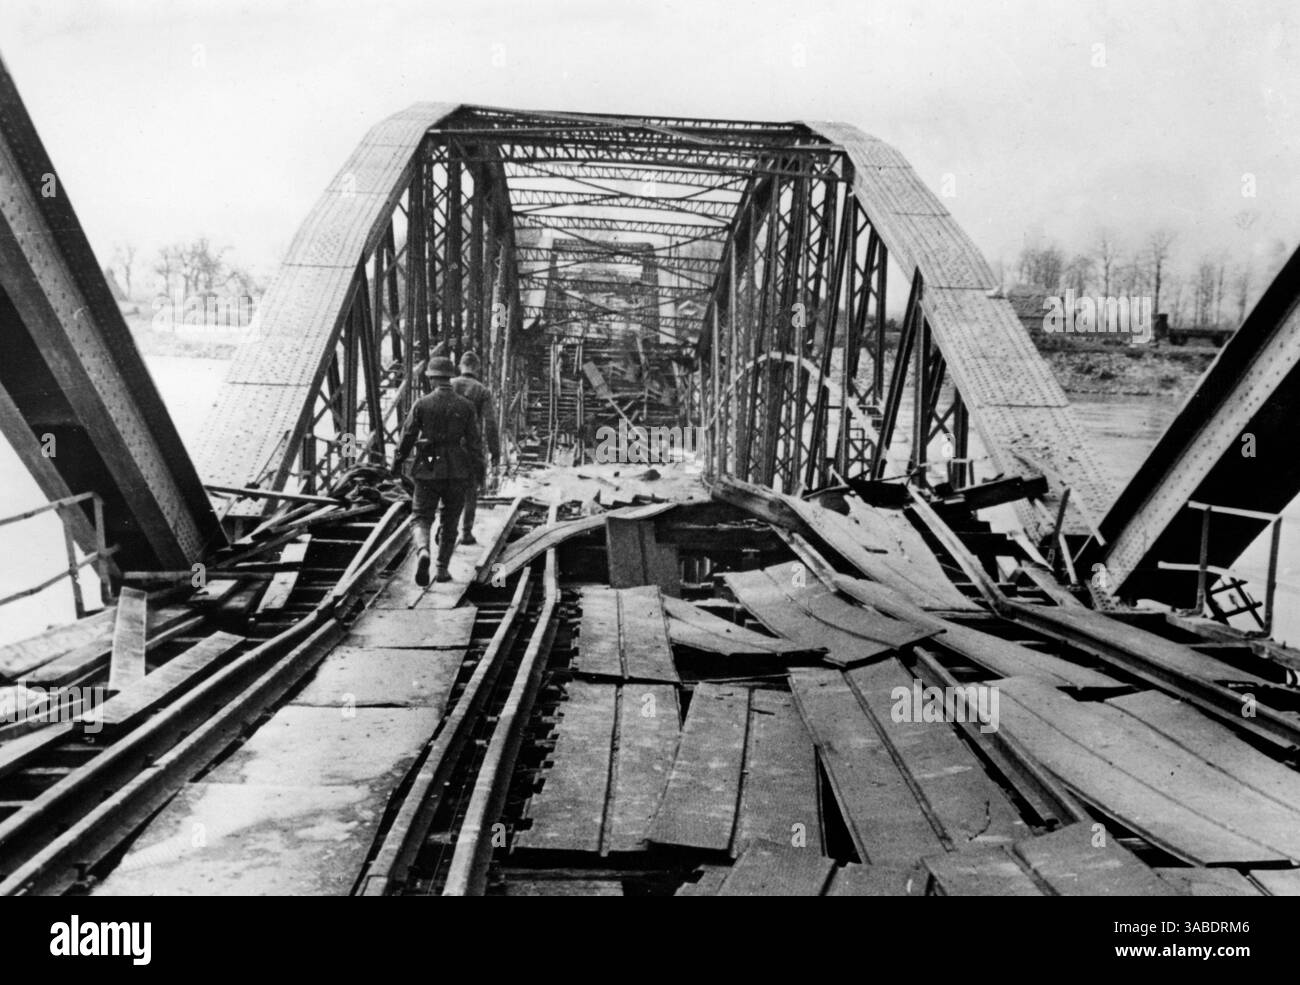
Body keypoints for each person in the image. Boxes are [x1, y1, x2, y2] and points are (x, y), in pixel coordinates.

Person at [391, 356, 485, 585]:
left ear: (431, 378)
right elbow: (475, 444)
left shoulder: (422, 403)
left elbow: (408, 436)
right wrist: (480, 472)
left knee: (421, 517)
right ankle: (442, 569)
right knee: (451, 520)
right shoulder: (466, 406)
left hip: (428, 465)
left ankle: (423, 550)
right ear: (450, 376)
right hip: (457, 468)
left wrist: (397, 462)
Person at [450, 350, 500, 546]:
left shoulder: (449, 385)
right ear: (477, 368)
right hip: (470, 447)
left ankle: (447, 529)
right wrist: (495, 452)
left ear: (460, 366)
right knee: (471, 489)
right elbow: (490, 423)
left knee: (450, 488)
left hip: (449, 446)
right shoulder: (482, 391)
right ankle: (466, 532)